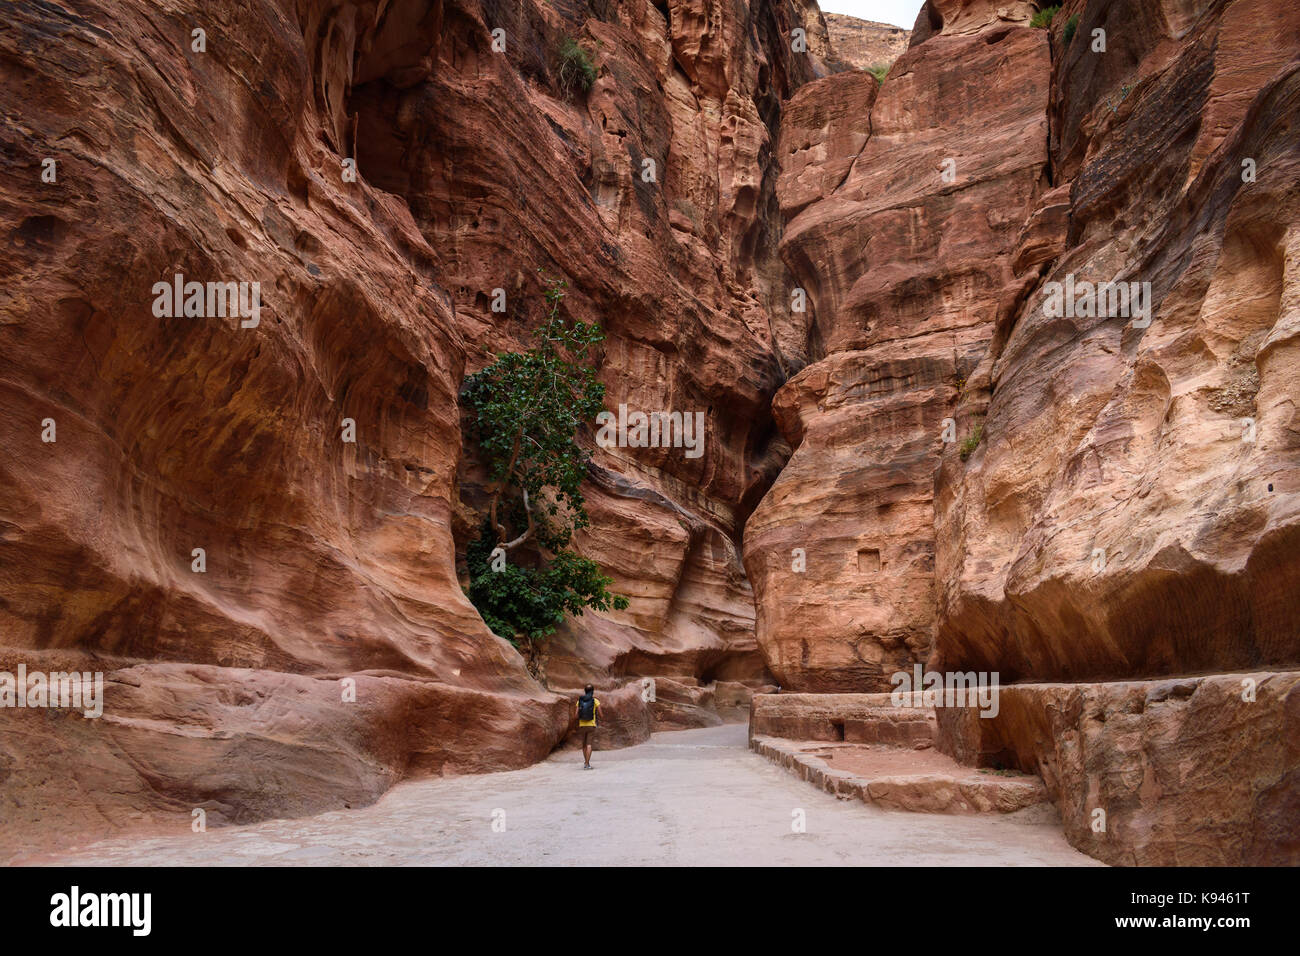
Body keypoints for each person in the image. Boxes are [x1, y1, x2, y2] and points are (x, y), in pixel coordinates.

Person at [576, 684, 600, 769]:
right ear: (592, 691)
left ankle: (586, 762)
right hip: (591, 724)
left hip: (582, 725)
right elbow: (601, 714)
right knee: (589, 744)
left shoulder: (580, 701)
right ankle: (587, 764)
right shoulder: (595, 701)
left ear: (585, 691)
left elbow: (576, 715)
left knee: (584, 745)